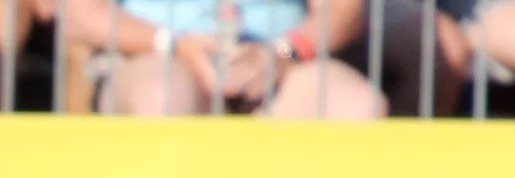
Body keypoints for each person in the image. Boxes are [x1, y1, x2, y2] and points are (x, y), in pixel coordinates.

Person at [65, 0, 384, 115]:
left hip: (282, 60)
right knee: (165, 97)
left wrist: (284, 53)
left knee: (356, 108)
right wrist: (176, 45)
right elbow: (80, 16)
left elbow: (345, 10)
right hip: (151, 55)